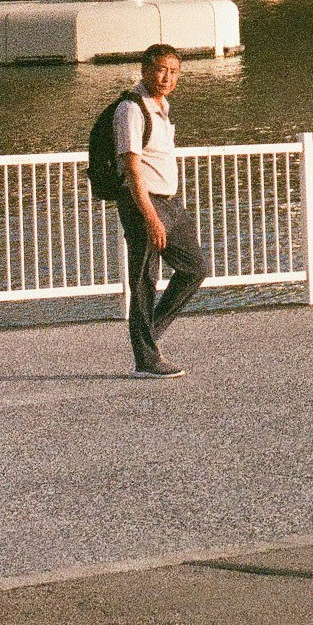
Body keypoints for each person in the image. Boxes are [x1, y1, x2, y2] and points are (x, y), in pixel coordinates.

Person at [115, 43, 206, 376]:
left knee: (195, 268)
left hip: (171, 201)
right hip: (145, 203)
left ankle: (147, 337)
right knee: (144, 279)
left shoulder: (162, 106)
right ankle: (146, 359)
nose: (167, 77)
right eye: (160, 69)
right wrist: (151, 218)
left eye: (174, 71)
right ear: (144, 69)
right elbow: (132, 168)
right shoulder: (131, 109)